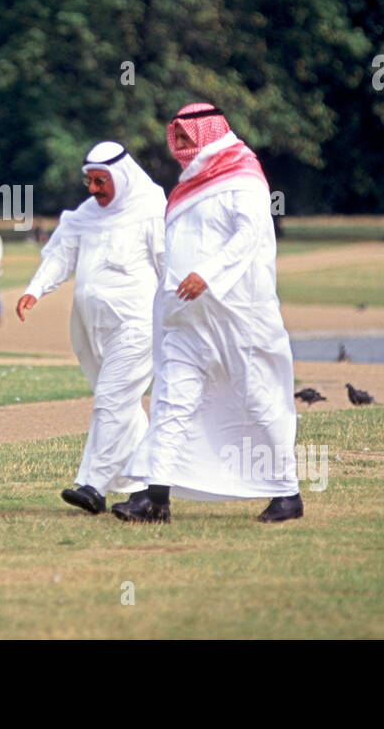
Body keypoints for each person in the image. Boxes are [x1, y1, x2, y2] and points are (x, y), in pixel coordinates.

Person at [114, 103, 301, 524]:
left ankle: (287, 493)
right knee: (170, 401)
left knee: (257, 398)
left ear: (208, 132)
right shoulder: (187, 187)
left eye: (186, 136)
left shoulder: (243, 177)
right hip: (186, 318)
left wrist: (208, 275)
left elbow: (248, 235)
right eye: (175, 136)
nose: (179, 145)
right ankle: (154, 497)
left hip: (237, 317)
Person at [16, 141, 165, 515]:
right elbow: (61, 255)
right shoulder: (85, 214)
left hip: (136, 326)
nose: (94, 189)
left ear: (123, 178)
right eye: (90, 181)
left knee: (110, 401)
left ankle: (92, 486)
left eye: (102, 181)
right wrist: (35, 289)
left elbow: (169, 267)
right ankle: (144, 485)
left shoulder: (151, 211)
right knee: (121, 405)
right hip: (88, 328)